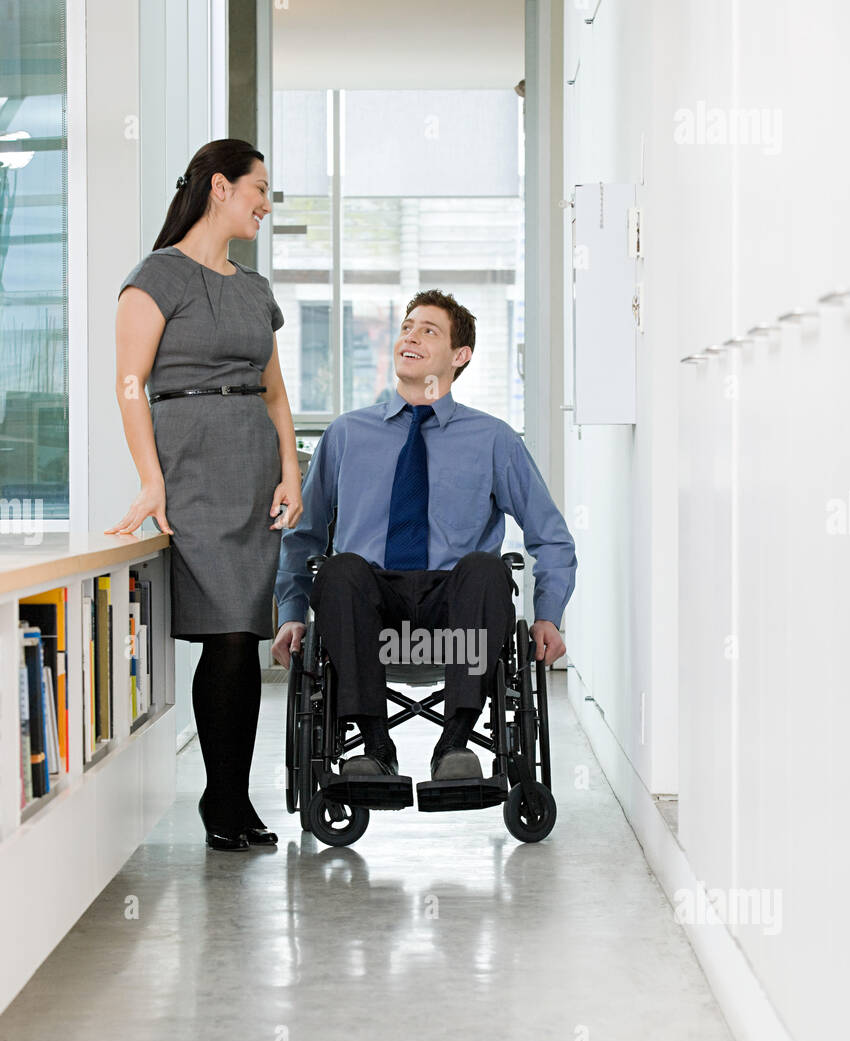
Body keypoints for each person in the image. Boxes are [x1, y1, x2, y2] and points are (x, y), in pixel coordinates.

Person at [271, 289, 576, 792]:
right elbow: (303, 537)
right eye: (408, 326)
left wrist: (548, 614)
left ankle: (455, 743)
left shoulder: (494, 439)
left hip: (454, 605)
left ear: (460, 357)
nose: (410, 335)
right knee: (341, 566)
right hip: (367, 603)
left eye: (428, 330)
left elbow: (551, 535)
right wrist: (290, 614)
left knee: (486, 567)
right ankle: (374, 747)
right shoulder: (346, 435)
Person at [108, 139, 303, 850]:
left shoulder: (254, 287)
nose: (266, 203)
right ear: (220, 187)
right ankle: (221, 806)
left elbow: (276, 391)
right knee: (223, 633)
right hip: (190, 464)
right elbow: (131, 385)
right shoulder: (156, 276)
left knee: (243, 633)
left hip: (252, 465)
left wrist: (291, 469)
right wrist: (151, 478)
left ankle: (232, 799)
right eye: (261, 188)